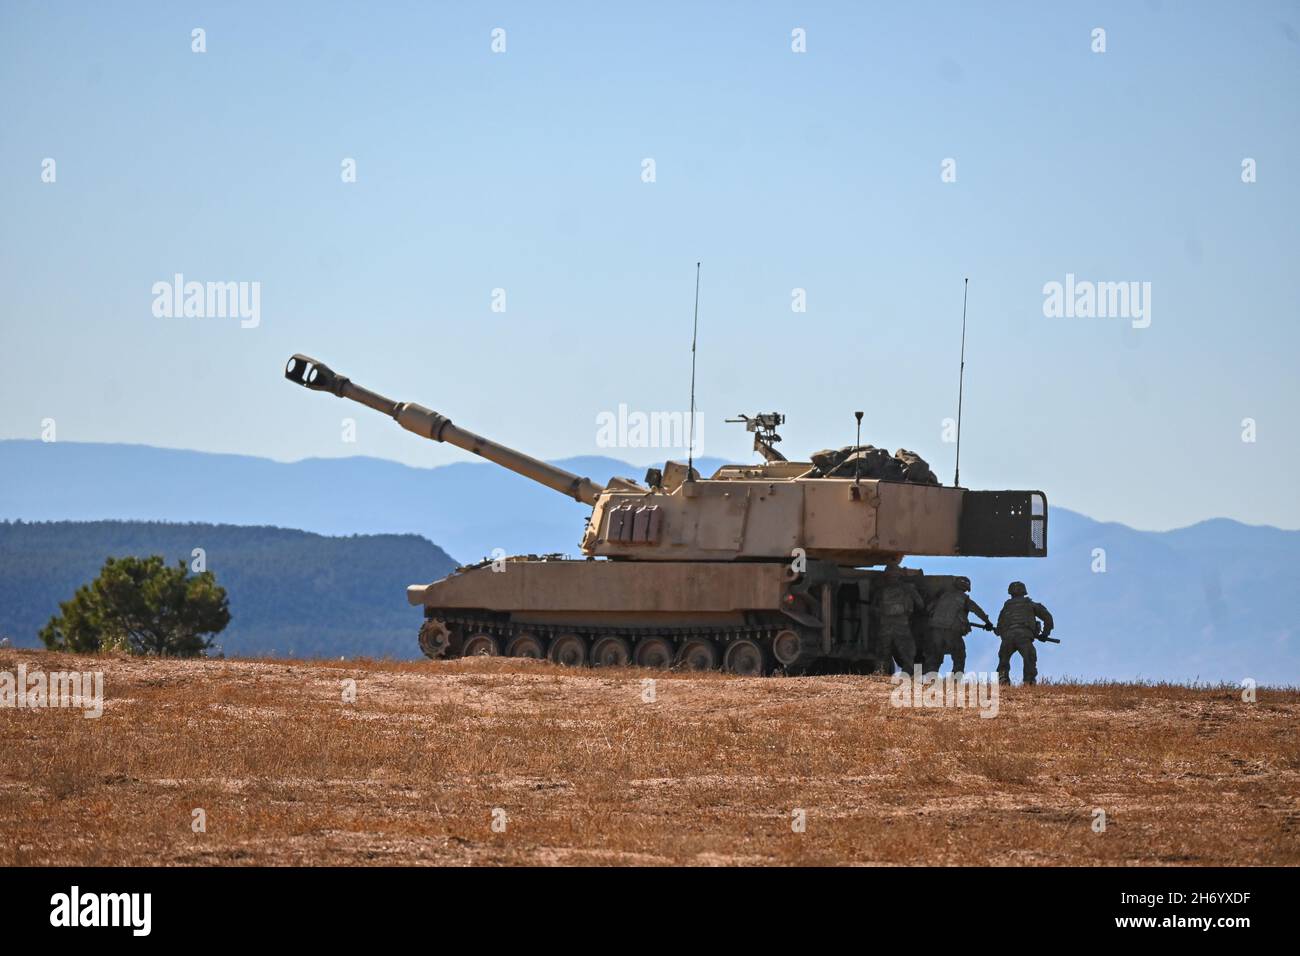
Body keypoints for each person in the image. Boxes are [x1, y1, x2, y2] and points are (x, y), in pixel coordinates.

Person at [925, 576, 991, 677]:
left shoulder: (943, 596)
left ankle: (930, 679)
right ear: (966, 588)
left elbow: (929, 609)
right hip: (951, 630)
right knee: (959, 655)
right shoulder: (964, 599)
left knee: (935, 656)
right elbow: (977, 611)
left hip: (935, 630)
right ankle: (955, 680)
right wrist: (988, 623)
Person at [994, 581, 1054, 685]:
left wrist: (998, 631)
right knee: (1029, 658)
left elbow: (999, 625)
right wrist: (1045, 633)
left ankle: (1003, 682)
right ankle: (1029, 682)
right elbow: (1047, 617)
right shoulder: (1030, 604)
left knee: (1003, 660)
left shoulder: (1006, 607)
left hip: (1008, 637)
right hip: (1024, 636)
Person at [872, 566, 924, 674]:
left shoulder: (881, 589)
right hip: (902, 624)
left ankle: (880, 673)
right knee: (907, 650)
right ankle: (908, 673)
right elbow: (920, 604)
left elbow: (873, 608)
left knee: (883, 650)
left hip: (885, 625)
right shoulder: (907, 588)